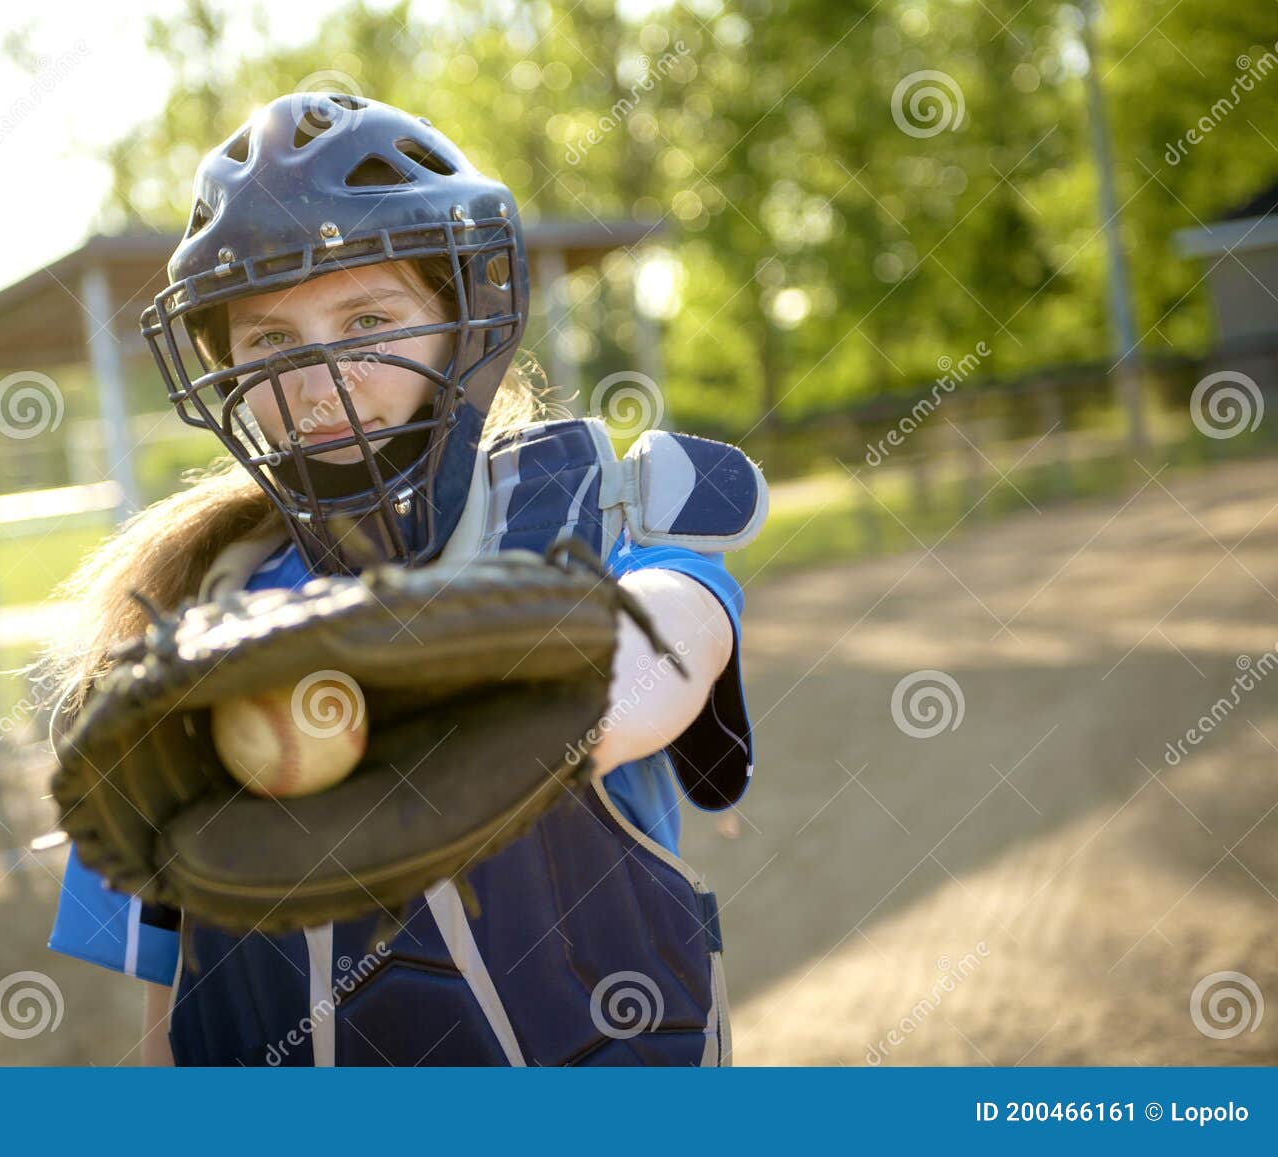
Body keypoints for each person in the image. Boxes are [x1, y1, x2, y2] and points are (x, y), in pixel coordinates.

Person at [38, 92, 767, 1066]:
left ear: (463, 321)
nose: (316, 377)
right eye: (269, 340)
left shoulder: (589, 521)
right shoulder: (184, 637)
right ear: (224, 372)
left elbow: (666, 646)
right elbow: (176, 1016)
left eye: (369, 316)